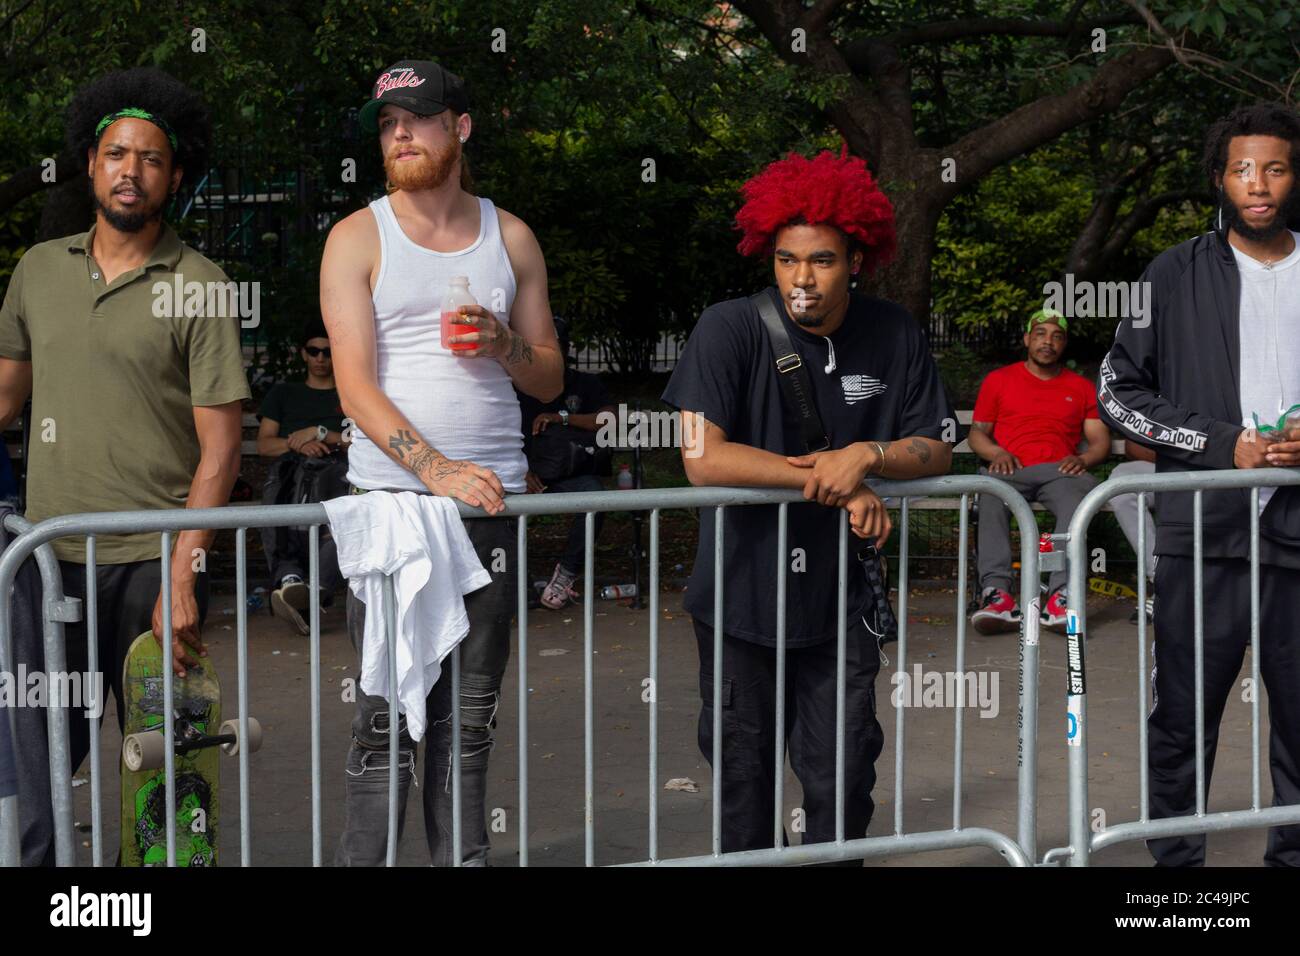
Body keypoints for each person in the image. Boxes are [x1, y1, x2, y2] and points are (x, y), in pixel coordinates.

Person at [661, 147, 955, 857]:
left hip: (842, 601)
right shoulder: (726, 327)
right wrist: (836, 477)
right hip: (740, 599)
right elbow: (702, 458)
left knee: (845, 779)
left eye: (822, 260)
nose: (803, 278)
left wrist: (872, 454)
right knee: (742, 782)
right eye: (788, 260)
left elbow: (938, 447)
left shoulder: (894, 332)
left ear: (856, 258)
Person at [0, 68, 249, 864]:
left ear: (174, 176)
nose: (129, 171)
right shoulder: (38, 269)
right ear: (89, 164)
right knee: (38, 756)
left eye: (149, 158)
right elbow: (3, 399)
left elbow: (220, 450)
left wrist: (186, 567)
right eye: (115, 154)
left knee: (164, 760)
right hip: (47, 563)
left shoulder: (201, 286)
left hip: (152, 561)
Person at [320, 59, 562, 866]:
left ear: (459, 128)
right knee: (384, 717)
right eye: (388, 124)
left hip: (490, 506)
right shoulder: (356, 236)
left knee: (469, 718)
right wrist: (437, 469)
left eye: (418, 119)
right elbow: (353, 385)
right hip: (393, 506)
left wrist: (502, 342)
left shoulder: (512, 235)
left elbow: (549, 375)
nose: (399, 135)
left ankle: (463, 861)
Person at [1099, 102, 1300, 867]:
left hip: (1296, 536)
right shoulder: (1172, 273)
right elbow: (1117, 391)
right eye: (1242, 168)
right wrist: (1223, 445)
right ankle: (1177, 879)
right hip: (1201, 534)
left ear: (1293, 177)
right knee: (1181, 719)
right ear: (1219, 178)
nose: (1258, 184)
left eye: (1275, 168)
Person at [967, 309, 1110, 635]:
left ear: (1064, 345)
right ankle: (998, 596)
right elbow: (977, 433)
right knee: (988, 491)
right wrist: (996, 452)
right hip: (1010, 467)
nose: (1048, 341)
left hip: (1060, 470)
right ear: (1027, 339)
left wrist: (1084, 460)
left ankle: (1061, 595)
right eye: (1041, 333)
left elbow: (1100, 442)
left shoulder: (1081, 387)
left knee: (1078, 502)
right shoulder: (999, 380)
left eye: (1057, 336)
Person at [516, 318, 616, 609]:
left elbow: (610, 420)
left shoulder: (583, 384)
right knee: (496, 503)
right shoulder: (514, 387)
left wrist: (563, 417)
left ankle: (565, 576)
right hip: (526, 474)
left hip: (570, 474)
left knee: (595, 501)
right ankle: (520, 583)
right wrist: (520, 472)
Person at [257, 320, 350, 633]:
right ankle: (291, 581)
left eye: (327, 351)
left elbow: (363, 437)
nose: (321, 358)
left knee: (346, 515)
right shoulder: (285, 393)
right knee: (279, 499)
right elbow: (265, 443)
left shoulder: (351, 393)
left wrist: (323, 434)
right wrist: (300, 443)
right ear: (303, 354)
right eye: (314, 351)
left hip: (338, 469)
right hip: (291, 469)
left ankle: (312, 589)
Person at [1108, 440, 1157, 624]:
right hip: (1163, 467)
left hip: (1217, 468)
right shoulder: (1155, 410)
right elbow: (1134, 446)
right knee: (1122, 483)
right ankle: (1162, 582)